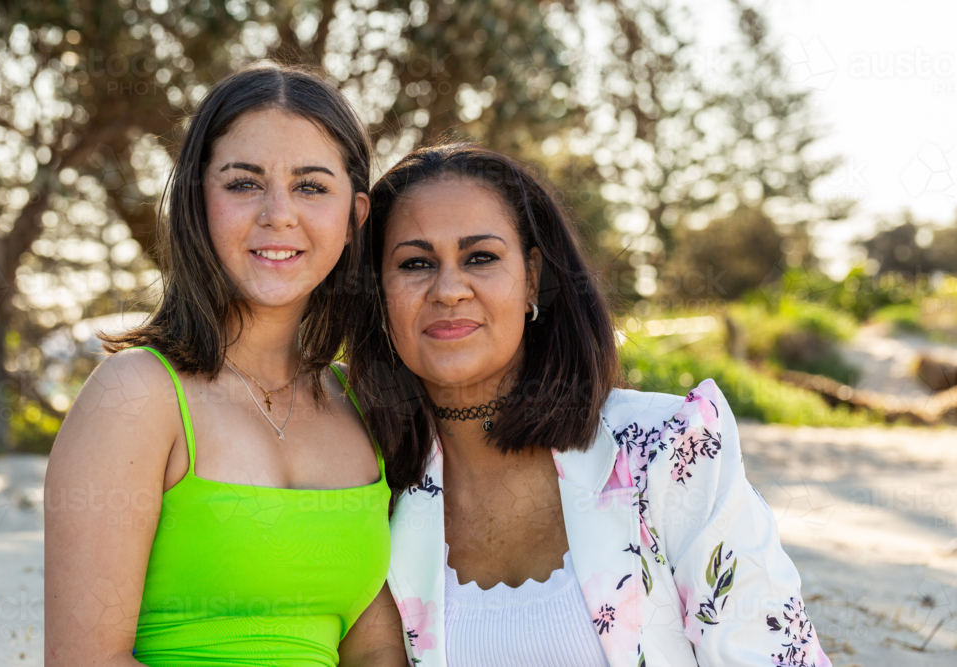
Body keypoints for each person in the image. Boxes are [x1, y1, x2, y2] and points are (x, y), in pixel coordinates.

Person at [346, 142, 833, 667]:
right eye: (415, 263)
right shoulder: (367, 483)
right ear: (379, 291)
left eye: (480, 257)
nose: (448, 289)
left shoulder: (671, 449)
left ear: (532, 277)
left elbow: (773, 654)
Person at [45, 64, 405, 667]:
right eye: (243, 183)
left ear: (355, 217)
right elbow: (85, 661)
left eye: (312, 187)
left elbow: (373, 650)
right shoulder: (135, 395)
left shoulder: (362, 406)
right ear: (196, 199)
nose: (278, 213)